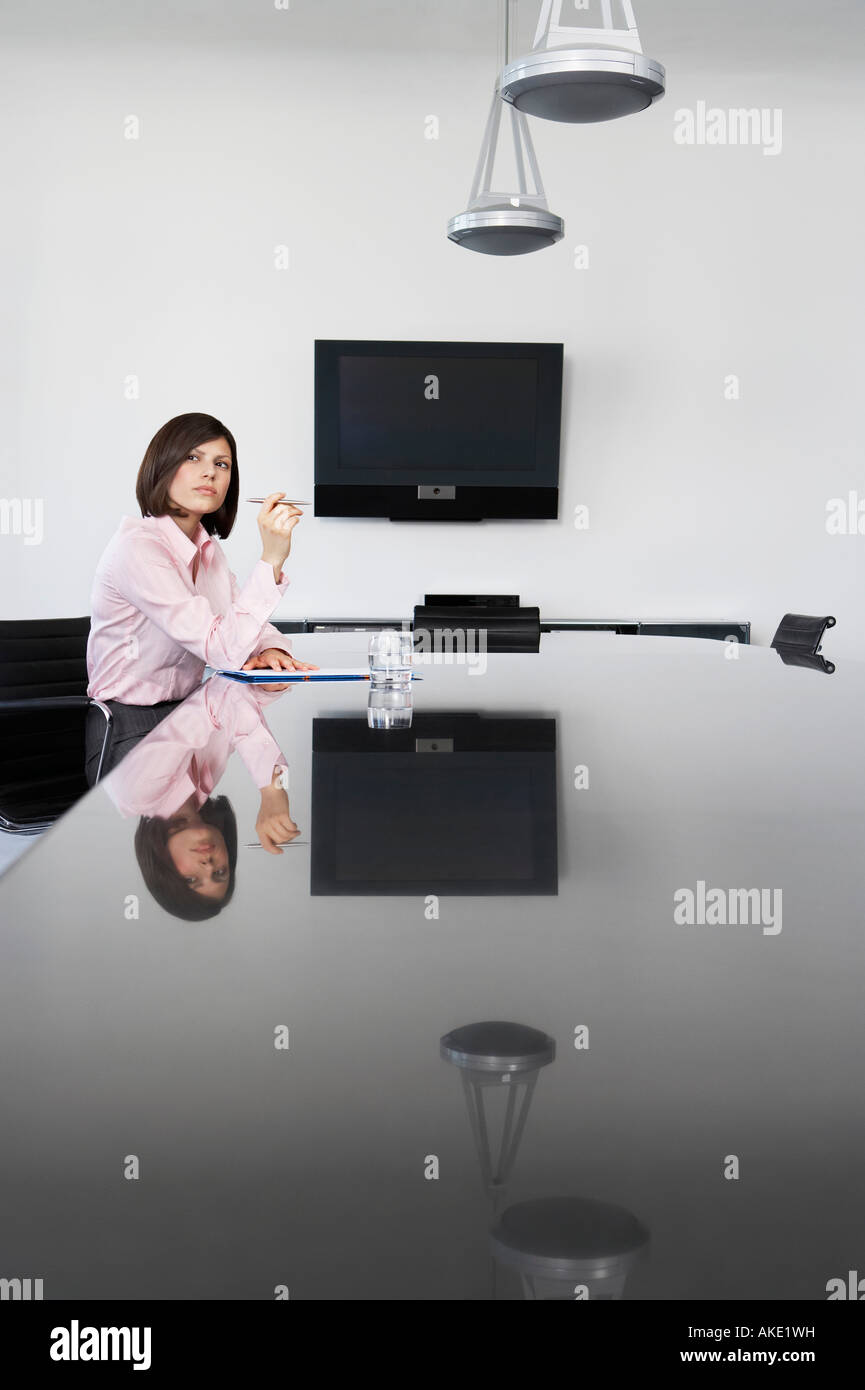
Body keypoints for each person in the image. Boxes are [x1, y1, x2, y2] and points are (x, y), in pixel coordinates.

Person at [84, 412, 317, 781]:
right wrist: (272, 558)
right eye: (193, 458)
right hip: (129, 725)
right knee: (180, 828)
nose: (209, 472)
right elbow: (222, 648)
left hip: (194, 713)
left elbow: (241, 621)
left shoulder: (207, 550)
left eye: (221, 464)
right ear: (162, 466)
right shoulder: (138, 548)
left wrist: (274, 649)